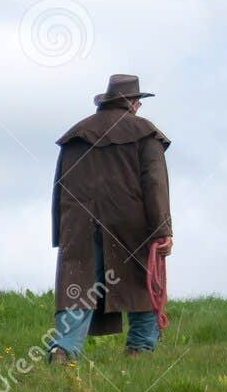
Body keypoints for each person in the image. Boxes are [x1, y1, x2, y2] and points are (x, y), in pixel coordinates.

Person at [49, 74, 172, 362]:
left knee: (76, 287)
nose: (139, 106)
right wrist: (163, 230)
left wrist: (61, 234)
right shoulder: (144, 133)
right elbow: (155, 185)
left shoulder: (75, 135)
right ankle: (139, 351)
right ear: (131, 102)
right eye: (138, 101)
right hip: (132, 225)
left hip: (79, 225)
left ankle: (63, 350)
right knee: (144, 284)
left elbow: (60, 188)